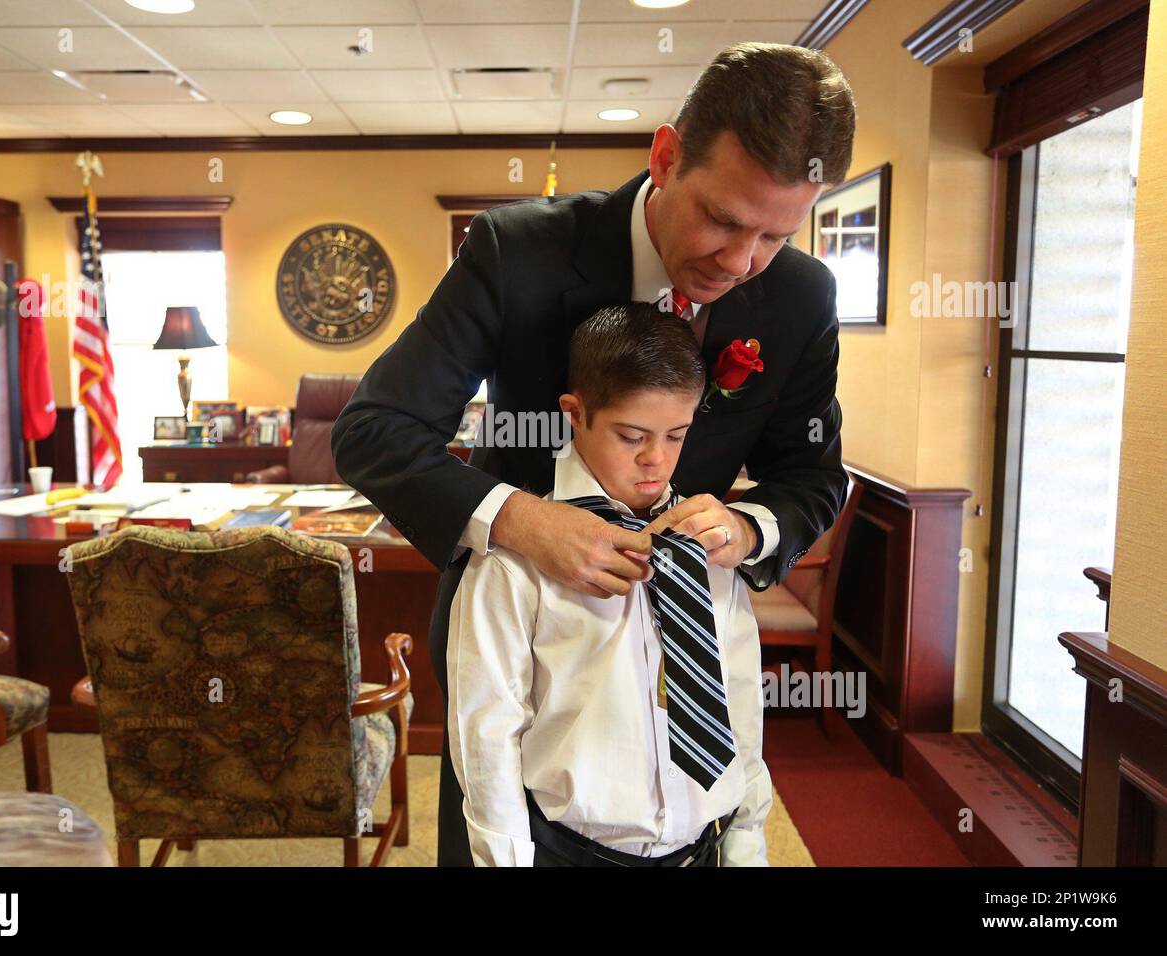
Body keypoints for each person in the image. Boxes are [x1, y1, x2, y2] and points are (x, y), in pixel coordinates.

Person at [331, 41, 856, 866]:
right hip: (518, 629)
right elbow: (374, 430)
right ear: (666, 155)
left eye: (773, 234)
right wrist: (524, 523)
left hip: (689, 642)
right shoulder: (518, 252)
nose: (739, 261)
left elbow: (813, 473)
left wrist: (748, 530)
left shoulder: (799, 295)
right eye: (722, 218)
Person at [448, 303, 770, 866]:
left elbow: (738, 689)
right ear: (575, 414)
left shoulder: (711, 544)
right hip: (571, 850)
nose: (657, 459)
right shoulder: (516, 561)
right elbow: (488, 728)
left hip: (704, 845)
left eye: (676, 435)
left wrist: (746, 834)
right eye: (631, 435)